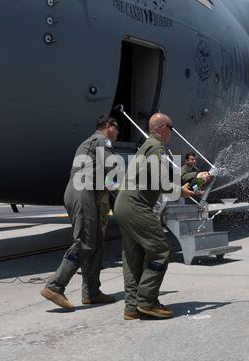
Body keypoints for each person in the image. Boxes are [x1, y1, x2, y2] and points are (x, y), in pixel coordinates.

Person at [41, 115, 119, 309]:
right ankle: (54, 286)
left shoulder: (90, 144)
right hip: (83, 192)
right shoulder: (101, 140)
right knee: (84, 241)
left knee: (96, 243)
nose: (118, 134)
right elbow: (113, 166)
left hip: (84, 192)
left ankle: (91, 292)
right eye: (117, 129)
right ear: (108, 126)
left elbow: (106, 177)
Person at [114, 112, 179, 320]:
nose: (172, 132)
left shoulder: (146, 146)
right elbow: (163, 182)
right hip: (136, 205)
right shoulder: (157, 147)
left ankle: (132, 307)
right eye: (171, 128)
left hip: (122, 204)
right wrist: (185, 190)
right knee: (160, 250)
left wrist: (187, 179)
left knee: (133, 258)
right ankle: (147, 301)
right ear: (162, 128)